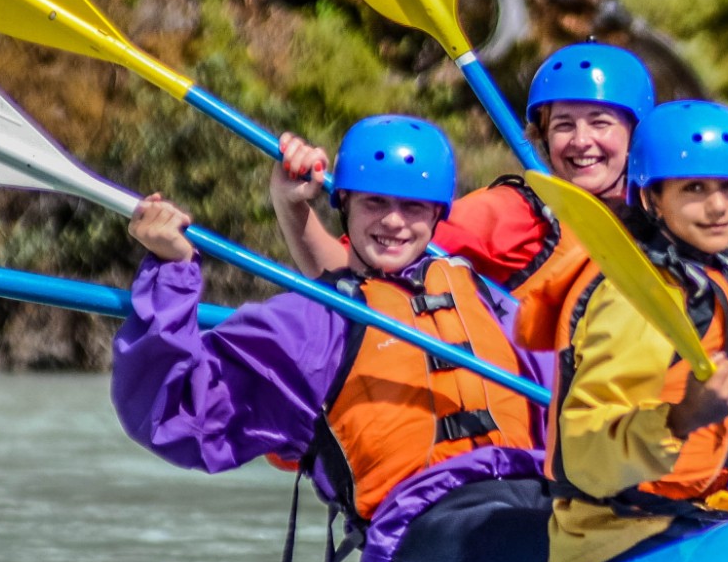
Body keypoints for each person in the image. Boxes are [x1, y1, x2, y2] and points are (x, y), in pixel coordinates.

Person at [112, 116, 555, 562]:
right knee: (557, 542)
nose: (393, 222)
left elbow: (574, 401)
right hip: (424, 533)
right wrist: (172, 271)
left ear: (438, 215)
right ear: (344, 205)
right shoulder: (310, 325)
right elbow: (176, 411)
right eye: (374, 204)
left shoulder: (484, 299)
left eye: (412, 207)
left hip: (529, 502)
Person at [546, 100, 728, 562]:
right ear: (652, 198)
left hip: (690, 524)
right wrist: (680, 419)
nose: (717, 207)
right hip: (611, 538)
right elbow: (587, 453)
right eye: (694, 189)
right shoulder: (633, 298)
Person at [269, 41, 657, 340]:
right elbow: (348, 271)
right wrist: (291, 206)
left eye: (600, 123)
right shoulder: (514, 214)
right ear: (542, 135)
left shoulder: (665, 219)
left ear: (635, 134)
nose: (581, 141)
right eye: (564, 126)